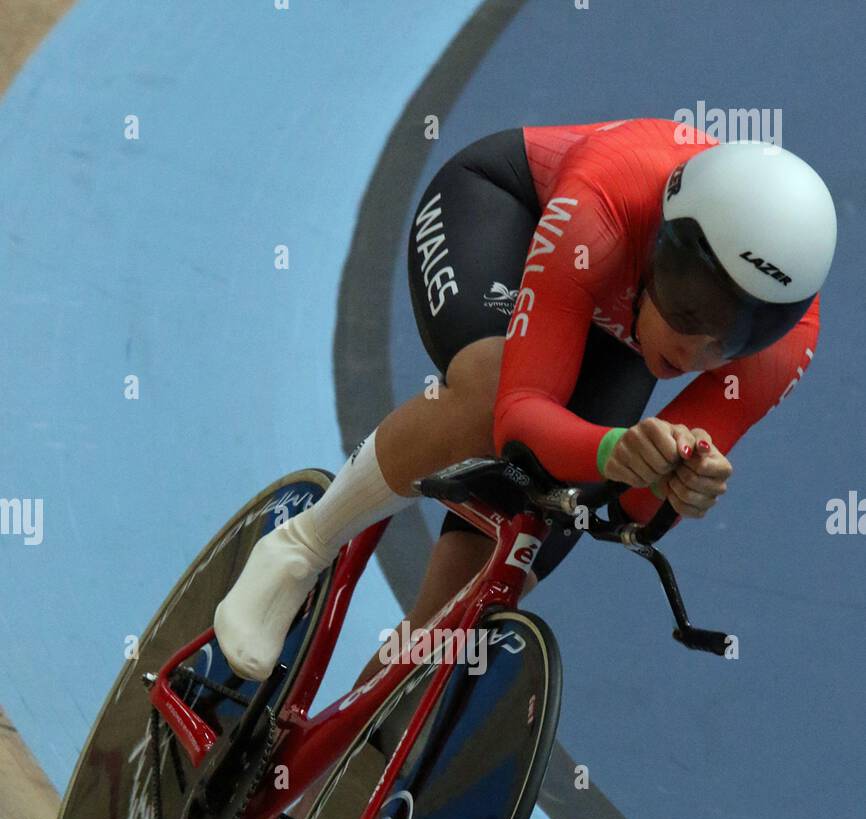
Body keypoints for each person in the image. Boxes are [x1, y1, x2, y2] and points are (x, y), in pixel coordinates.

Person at [214, 119, 837, 683]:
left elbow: (630, 508)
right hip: (507, 214)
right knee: (490, 401)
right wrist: (620, 447)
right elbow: (519, 416)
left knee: (499, 572)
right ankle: (302, 545)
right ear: (662, 246)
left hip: (616, 319)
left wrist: (683, 480)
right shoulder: (607, 199)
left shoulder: (787, 344)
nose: (698, 347)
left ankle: (348, 748)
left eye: (737, 332)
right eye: (692, 302)